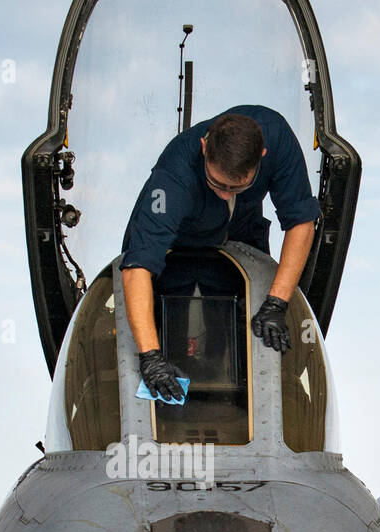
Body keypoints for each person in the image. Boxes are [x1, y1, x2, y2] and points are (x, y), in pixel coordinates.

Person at [120, 105, 321, 402]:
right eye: (217, 183)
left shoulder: (276, 137)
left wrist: (276, 303)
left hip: (240, 233)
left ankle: (236, 401)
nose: (226, 193)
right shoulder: (172, 177)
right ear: (204, 148)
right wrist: (151, 357)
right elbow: (138, 265)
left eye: (237, 186)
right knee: (167, 326)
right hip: (178, 245)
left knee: (243, 330)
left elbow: (301, 222)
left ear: (262, 155)